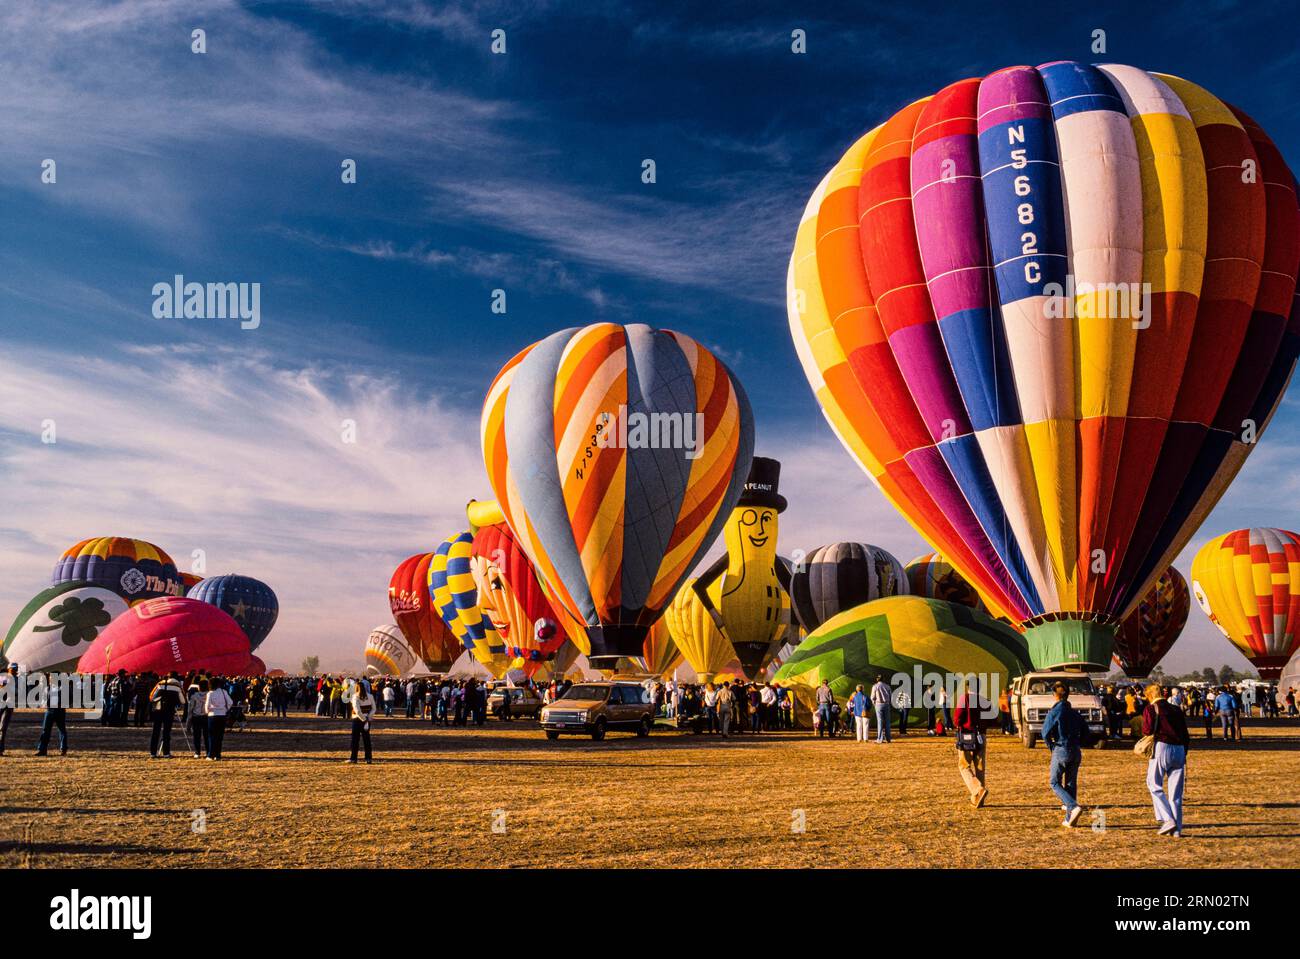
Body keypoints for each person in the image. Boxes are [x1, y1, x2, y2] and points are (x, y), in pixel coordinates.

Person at [1141, 683, 1190, 837]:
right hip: (1180, 749)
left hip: (1162, 746)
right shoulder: (1176, 709)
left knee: (1154, 784)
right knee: (1176, 793)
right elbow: (1185, 733)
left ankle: (1167, 819)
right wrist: (1184, 753)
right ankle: (1177, 830)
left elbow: (1147, 730)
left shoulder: (1151, 709)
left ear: (1149, 696)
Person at [1040, 683, 1085, 827]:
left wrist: (1051, 746)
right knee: (1071, 782)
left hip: (1061, 748)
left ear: (1055, 695)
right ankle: (1069, 819)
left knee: (1054, 782)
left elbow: (1045, 733)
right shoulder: (1074, 712)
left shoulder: (1054, 712)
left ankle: (1072, 806)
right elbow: (1086, 730)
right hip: (1075, 749)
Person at [954, 680, 993, 808]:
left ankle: (978, 789)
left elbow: (957, 718)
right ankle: (978, 800)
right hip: (981, 735)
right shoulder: (985, 701)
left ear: (967, 686)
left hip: (967, 735)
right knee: (980, 767)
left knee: (964, 765)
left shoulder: (964, 698)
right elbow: (992, 718)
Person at [148, 672, 186, 758]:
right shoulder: (177, 686)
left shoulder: (160, 684)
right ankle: (166, 753)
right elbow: (183, 700)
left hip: (158, 710)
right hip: (169, 711)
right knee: (167, 732)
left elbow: (151, 697)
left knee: (155, 732)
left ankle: (153, 753)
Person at [34, 673, 68, 756]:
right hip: (49, 710)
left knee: (62, 730)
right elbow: (44, 699)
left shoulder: (63, 687)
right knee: (45, 730)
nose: (50, 679)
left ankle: (63, 749)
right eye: (50, 677)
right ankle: (42, 750)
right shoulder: (47, 688)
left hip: (59, 710)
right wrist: (41, 704)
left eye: (52, 677)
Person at [205, 679, 234, 760]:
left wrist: (208, 712)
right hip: (222, 715)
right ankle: (218, 755)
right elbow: (230, 702)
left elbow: (207, 706)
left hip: (212, 716)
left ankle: (210, 755)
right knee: (219, 737)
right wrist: (225, 709)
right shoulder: (224, 692)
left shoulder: (210, 693)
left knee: (211, 736)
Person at [348, 679, 377, 763]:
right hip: (367, 719)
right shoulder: (370, 696)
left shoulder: (355, 697)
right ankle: (368, 758)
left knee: (355, 740)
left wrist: (364, 720)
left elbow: (357, 711)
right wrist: (367, 718)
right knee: (366, 739)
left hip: (357, 720)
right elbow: (374, 709)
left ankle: (353, 758)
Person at [186, 680, 209, 759]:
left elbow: (190, 710)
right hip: (206, 717)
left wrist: (188, 723)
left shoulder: (194, 696)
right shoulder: (209, 695)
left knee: (196, 736)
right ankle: (208, 752)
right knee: (207, 736)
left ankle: (197, 752)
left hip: (196, 717)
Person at [0, 663, 17, 756]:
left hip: (9, 706)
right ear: (9, 669)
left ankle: (0, 749)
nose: (15, 671)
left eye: (16, 669)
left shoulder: (17, 678)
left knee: (3, 728)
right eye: (13, 669)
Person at [870, 674, 892, 743]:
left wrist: (874, 704)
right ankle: (888, 738)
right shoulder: (887, 686)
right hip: (887, 704)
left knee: (880, 721)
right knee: (887, 722)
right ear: (883, 679)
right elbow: (891, 696)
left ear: (877, 679)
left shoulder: (875, 686)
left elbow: (872, 697)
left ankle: (880, 739)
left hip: (879, 704)